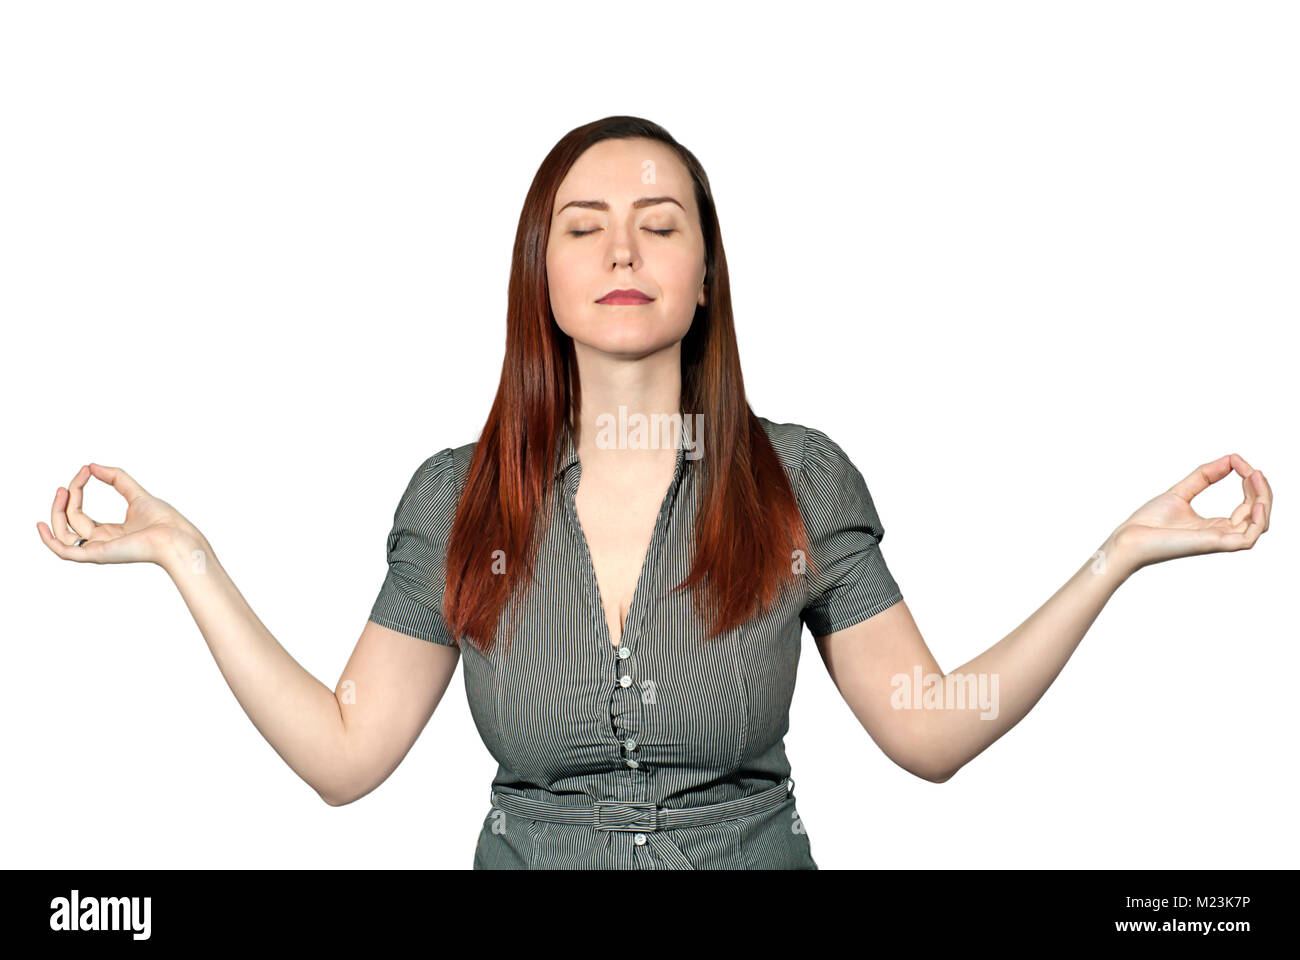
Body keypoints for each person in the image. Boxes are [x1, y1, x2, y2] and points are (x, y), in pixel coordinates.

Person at [36, 115, 1273, 870]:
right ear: (543, 276)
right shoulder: (457, 498)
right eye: (583, 227)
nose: (621, 249)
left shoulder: (800, 483)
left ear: (703, 277)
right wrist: (186, 558)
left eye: (658, 223)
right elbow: (346, 754)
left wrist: (1115, 556)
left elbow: (932, 727)